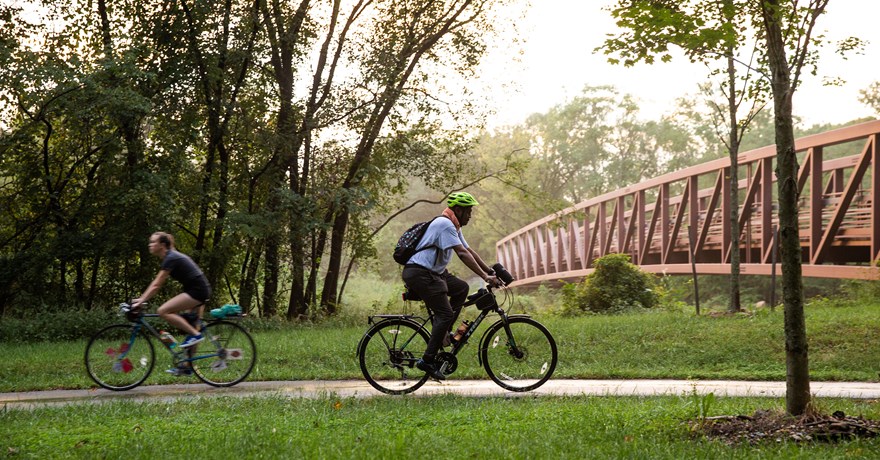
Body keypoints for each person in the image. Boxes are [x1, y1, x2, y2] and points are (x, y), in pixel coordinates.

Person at [402, 192, 501, 380]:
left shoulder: (453, 225)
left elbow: (469, 250)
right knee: (445, 314)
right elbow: (462, 254)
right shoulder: (445, 224)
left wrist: (490, 271)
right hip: (421, 273)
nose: (471, 215)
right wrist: (485, 277)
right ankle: (428, 360)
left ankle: (444, 332)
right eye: (469, 211)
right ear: (458, 210)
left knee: (461, 288)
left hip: (433, 272)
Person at [132, 232, 212, 376]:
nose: (150, 245)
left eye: (153, 242)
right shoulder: (170, 257)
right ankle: (187, 366)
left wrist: (141, 300)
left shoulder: (171, 258)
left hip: (197, 291)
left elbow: (156, 285)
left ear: (162, 245)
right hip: (197, 290)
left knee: (163, 311)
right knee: (193, 326)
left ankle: (196, 335)